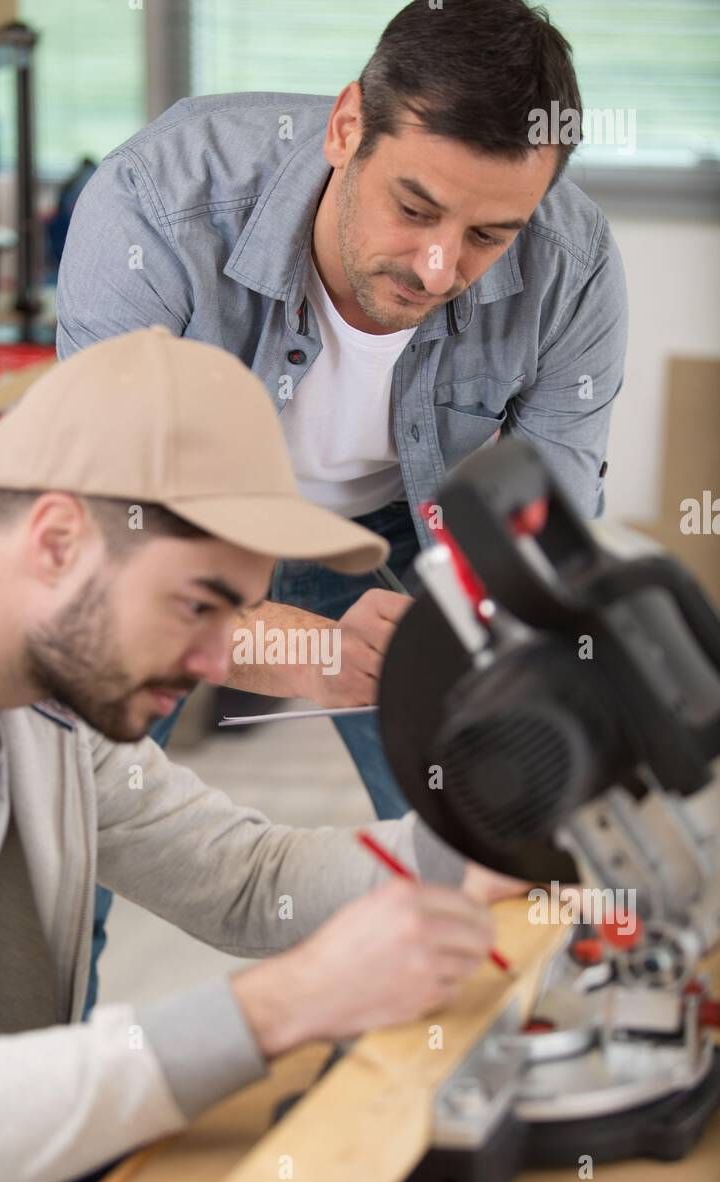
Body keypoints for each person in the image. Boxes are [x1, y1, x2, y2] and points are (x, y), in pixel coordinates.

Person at [0, 328, 517, 1182]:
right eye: (199, 605)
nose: (220, 665)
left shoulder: (42, 684)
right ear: (55, 540)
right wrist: (279, 1006)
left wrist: (485, 847)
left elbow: (244, 879)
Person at [55, 0, 628, 819]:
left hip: (387, 532)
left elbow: (542, 545)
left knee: (481, 820)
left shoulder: (573, 268)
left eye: (488, 236)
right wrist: (300, 650)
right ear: (347, 125)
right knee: (70, 832)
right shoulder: (158, 205)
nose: (437, 270)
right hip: (178, 525)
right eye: (416, 210)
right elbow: (109, 545)